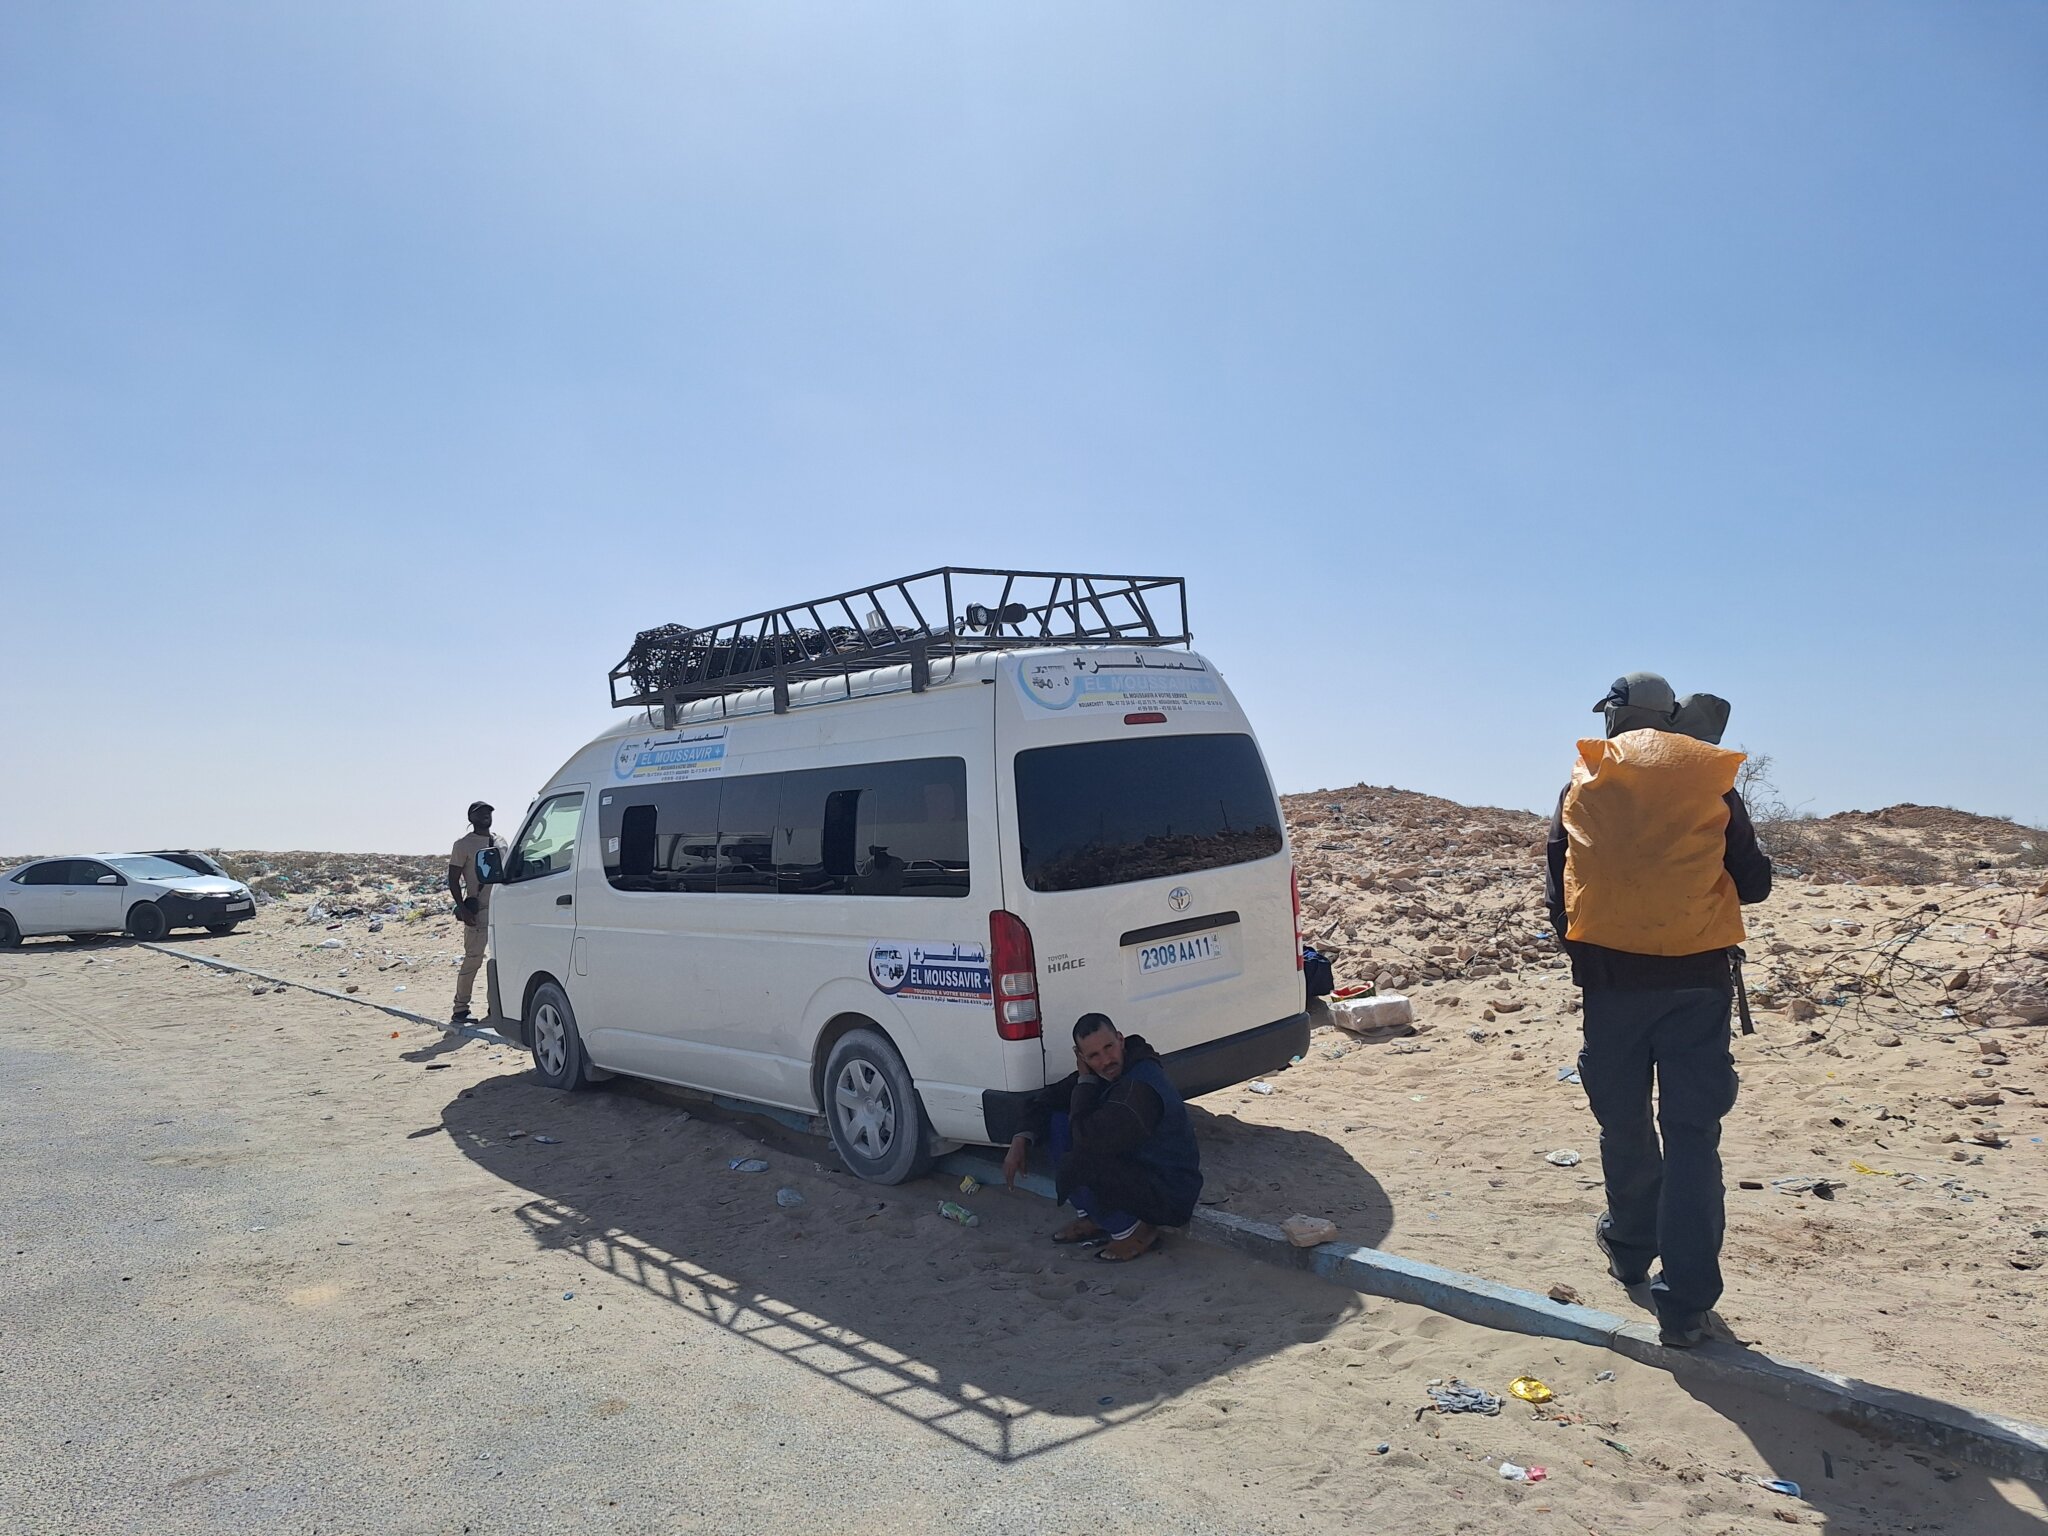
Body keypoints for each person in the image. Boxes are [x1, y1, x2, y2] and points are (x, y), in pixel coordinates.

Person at [1544, 672, 1773, 1347]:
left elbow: (1562, 898)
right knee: (1693, 1138)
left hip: (1612, 991)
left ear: (1615, 719)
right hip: (1698, 986)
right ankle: (1685, 1305)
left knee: (1624, 1125)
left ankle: (1628, 1247)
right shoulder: (1712, 785)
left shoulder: (1581, 785)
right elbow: (1754, 885)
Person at [1001, 1013, 1203, 1262]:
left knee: (1084, 1155)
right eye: (1094, 1055)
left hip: (1169, 1191)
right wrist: (1019, 1140)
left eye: (1109, 1047)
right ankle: (1094, 1217)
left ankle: (1135, 1230)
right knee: (1056, 1119)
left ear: (1120, 1040)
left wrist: (1085, 1082)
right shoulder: (1102, 1073)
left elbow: (1088, 1141)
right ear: (1081, 1057)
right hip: (1140, 1172)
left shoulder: (1139, 1086)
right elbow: (1046, 1100)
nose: (1106, 1060)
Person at [447, 800, 506, 1027]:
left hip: (502, 910)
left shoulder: (501, 842)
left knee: (498, 961)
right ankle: (460, 1009)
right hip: (478, 912)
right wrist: (463, 909)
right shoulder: (463, 845)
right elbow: (453, 879)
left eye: (489, 812)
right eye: (481, 813)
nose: (486, 816)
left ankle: (496, 1008)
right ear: (470, 818)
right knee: (473, 961)